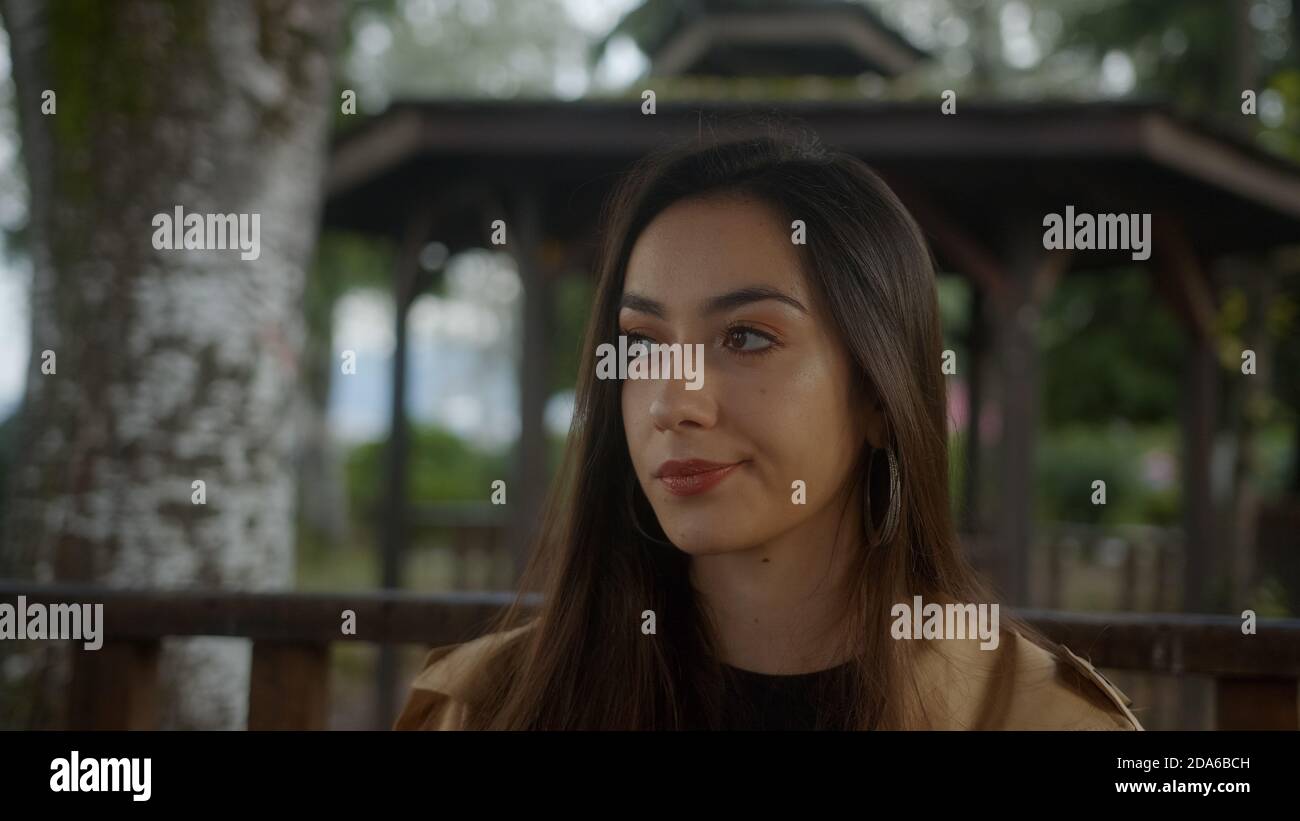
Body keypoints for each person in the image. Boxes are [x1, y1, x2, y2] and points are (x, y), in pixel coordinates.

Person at [394, 126, 1142, 731]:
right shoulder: (485, 709)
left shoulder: (1039, 718)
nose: (672, 403)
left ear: (880, 395)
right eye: (645, 345)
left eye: (746, 337)